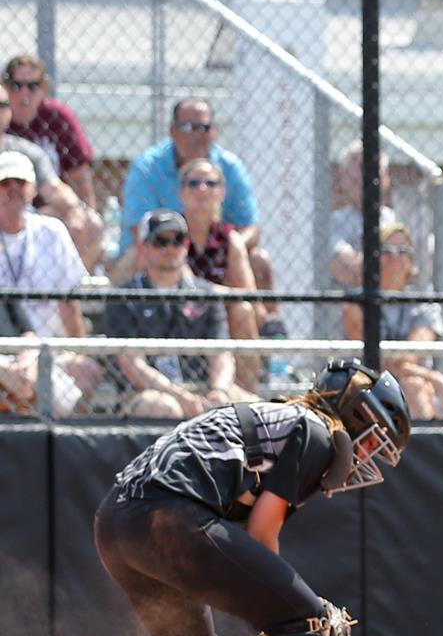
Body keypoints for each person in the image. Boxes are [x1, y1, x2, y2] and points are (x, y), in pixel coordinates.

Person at [25, 359, 410, 636]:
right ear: (355, 413)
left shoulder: (276, 417)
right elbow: (263, 531)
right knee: (310, 623)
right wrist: (287, 618)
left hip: (117, 521)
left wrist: (275, 607)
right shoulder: (318, 431)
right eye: (371, 437)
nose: (366, 455)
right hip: (166, 517)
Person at [106, 210, 259, 418]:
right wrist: (178, 395)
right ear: (143, 247)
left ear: (186, 245)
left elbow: (221, 353)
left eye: (178, 240)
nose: (170, 248)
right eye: (161, 241)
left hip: (203, 388)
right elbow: (132, 365)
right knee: (167, 409)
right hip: (146, 393)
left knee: (261, 411)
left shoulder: (205, 294)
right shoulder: (125, 297)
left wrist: (219, 391)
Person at [117, 99, 268, 289]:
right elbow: (140, 231)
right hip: (164, 250)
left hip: (215, 254)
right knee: (138, 256)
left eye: (202, 128)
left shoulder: (230, 166)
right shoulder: (147, 167)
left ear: (215, 131)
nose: (195, 135)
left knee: (259, 261)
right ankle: (143, 314)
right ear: (172, 131)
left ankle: (269, 319)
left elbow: (251, 228)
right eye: (187, 127)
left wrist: (227, 249)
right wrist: (178, 253)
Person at [0, 149, 91, 415]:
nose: (14, 190)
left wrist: (79, 352)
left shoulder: (51, 231)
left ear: (33, 190)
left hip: (48, 347)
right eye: (5, 183)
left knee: (84, 373)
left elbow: (68, 301)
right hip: (6, 347)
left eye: (21, 183)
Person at [342, 222, 443, 421]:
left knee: (413, 386)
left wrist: (413, 370)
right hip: (364, 384)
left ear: (411, 260)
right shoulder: (355, 302)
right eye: (386, 250)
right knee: (413, 383)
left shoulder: (424, 304)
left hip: (410, 381)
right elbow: (378, 360)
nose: (395, 256)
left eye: (402, 250)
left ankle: (422, 451)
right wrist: (434, 378)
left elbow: (409, 356)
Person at [0, 88, 99, 269]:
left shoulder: (26, 151)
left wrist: (75, 209)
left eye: (2, 105)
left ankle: (71, 285)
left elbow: (54, 189)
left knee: (87, 221)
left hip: (21, 225)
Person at [176, 155, 260, 343]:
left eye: (211, 183)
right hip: (180, 313)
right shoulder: (173, 234)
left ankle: (251, 373)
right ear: (181, 193)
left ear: (221, 193)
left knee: (244, 311)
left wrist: (223, 295)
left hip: (220, 313)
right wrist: (229, 293)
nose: (202, 189)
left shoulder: (229, 239)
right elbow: (190, 287)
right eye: (194, 183)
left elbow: (249, 294)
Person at [5, 54, 100, 216]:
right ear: (5, 88)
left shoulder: (56, 117)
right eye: (16, 86)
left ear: (44, 88)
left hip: (50, 209)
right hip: (6, 210)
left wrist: (88, 214)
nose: (24, 94)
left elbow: (79, 174)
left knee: (86, 222)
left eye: (32, 86)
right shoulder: (2, 119)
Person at [327, 141, 398, 290]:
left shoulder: (395, 219)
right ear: (344, 180)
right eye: (359, 172)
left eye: (375, 172)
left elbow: (417, 271)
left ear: (386, 179)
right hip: (348, 308)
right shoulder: (334, 222)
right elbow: (347, 270)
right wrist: (392, 265)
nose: (367, 180)